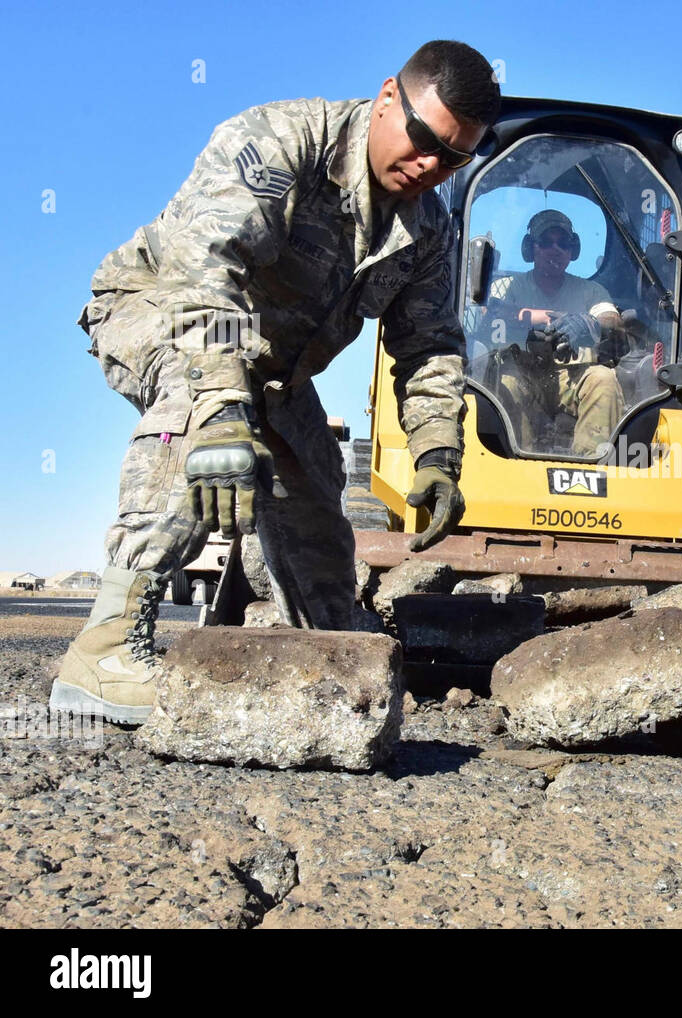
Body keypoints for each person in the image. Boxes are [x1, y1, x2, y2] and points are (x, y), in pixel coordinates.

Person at [51, 40, 501, 724]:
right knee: (205, 417)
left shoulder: (427, 228)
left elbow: (430, 345)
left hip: (272, 365)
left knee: (314, 484)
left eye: (454, 158)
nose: (429, 165)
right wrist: (225, 411)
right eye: (421, 138)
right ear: (387, 98)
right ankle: (105, 647)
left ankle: (329, 649)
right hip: (165, 308)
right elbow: (208, 277)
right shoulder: (281, 141)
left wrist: (439, 455)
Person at [487, 210, 625, 456]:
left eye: (563, 243)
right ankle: (521, 468)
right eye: (546, 242)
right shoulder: (507, 287)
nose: (556, 249)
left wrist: (587, 323)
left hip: (571, 378)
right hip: (523, 373)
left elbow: (611, 319)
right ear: (531, 249)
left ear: (573, 251)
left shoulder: (590, 291)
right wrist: (544, 320)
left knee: (603, 379)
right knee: (505, 382)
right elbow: (493, 314)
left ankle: (589, 466)